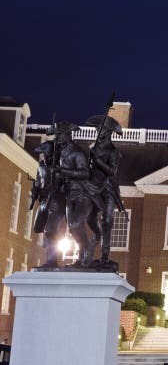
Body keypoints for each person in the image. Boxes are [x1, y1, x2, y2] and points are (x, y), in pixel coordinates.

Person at [50, 121, 99, 267]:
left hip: (83, 193)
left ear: (67, 135)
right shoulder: (61, 153)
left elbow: (84, 173)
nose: (56, 138)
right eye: (56, 135)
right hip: (70, 194)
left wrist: (62, 171)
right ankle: (81, 258)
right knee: (72, 227)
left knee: (77, 224)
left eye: (59, 135)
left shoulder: (77, 152)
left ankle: (87, 252)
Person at [85, 115, 123, 265]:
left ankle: (105, 252)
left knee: (107, 220)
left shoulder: (113, 151)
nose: (97, 132)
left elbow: (112, 171)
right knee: (89, 217)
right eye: (96, 130)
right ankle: (90, 246)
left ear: (107, 132)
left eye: (100, 130)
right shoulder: (93, 148)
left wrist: (98, 160)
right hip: (93, 186)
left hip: (107, 188)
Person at [30, 140, 67, 268]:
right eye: (44, 155)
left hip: (57, 201)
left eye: (48, 155)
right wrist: (35, 190)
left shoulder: (61, 167)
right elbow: (38, 182)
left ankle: (52, 261)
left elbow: (67, 185)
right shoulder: (41, 166)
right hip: (44, 201)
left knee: (50, 230)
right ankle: (50, 260)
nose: (46, 158)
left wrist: (58, 188)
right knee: (41, 229)